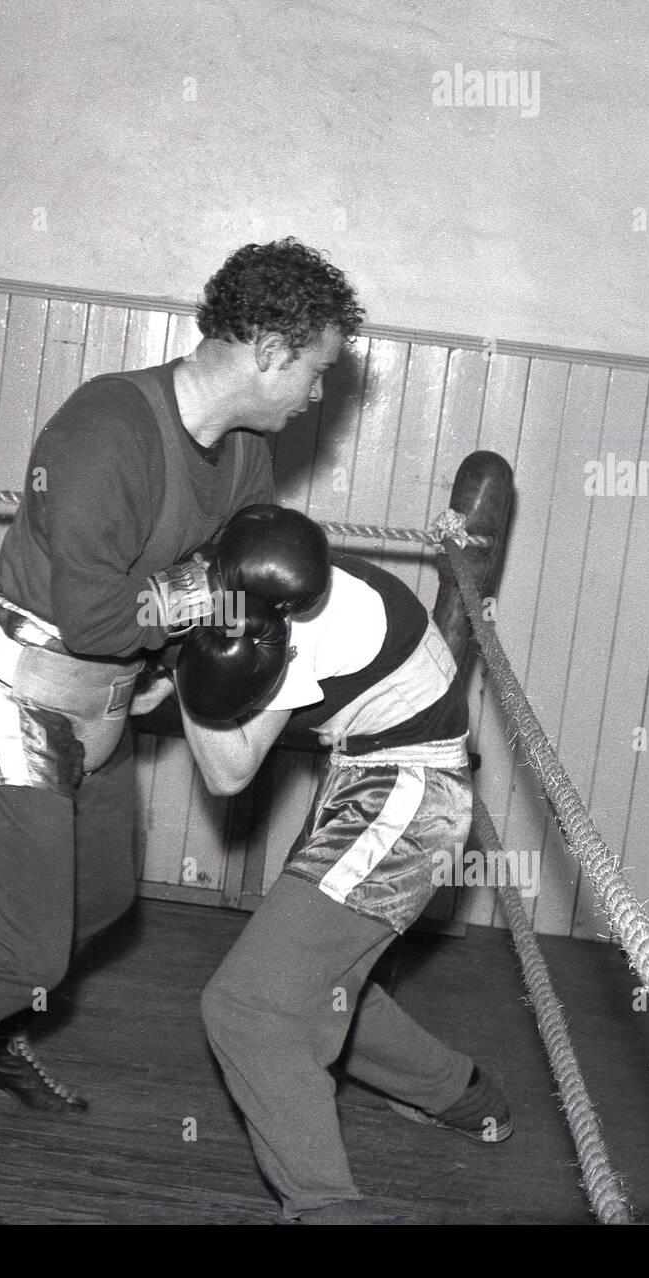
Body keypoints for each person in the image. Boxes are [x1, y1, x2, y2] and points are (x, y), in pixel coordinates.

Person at [0, 240, 365, 1223]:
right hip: (15, 700)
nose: (317, 392)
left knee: (102, 904)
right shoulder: (106, 428)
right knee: (23, 954)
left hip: (106, 704)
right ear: (266, 347)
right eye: (313, 368)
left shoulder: (249, 455)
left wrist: (200, 660)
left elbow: (212, 608)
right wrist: (218, 593)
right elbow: (94, 614)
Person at [169, 506, 513, 1225]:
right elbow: (155, 606)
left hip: (407, 797)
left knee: (248, 1007)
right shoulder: (241, 578)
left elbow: (228, 771)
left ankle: (326, 1209)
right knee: (316, 983)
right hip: (366, 774)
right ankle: (463, 1094)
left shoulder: (298, 633)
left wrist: (185, 666)